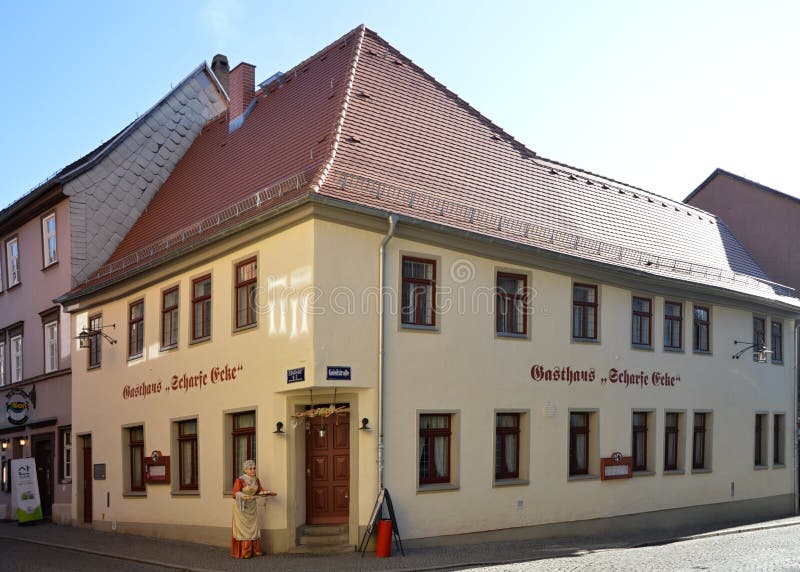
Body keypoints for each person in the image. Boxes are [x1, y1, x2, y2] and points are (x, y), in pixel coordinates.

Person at [231, 460, 276, 558]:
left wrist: (267, 493)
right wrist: (243, 495)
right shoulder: (240, 480)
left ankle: (255, 550)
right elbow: (235, 493)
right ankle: (245, 551)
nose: (253, 470)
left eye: (254, 468)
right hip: (242, 507)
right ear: (245, 470)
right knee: (244, 529)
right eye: (250, 468)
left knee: (253, 528)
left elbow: (260, 490)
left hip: (252, 506)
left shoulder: (256, 480)